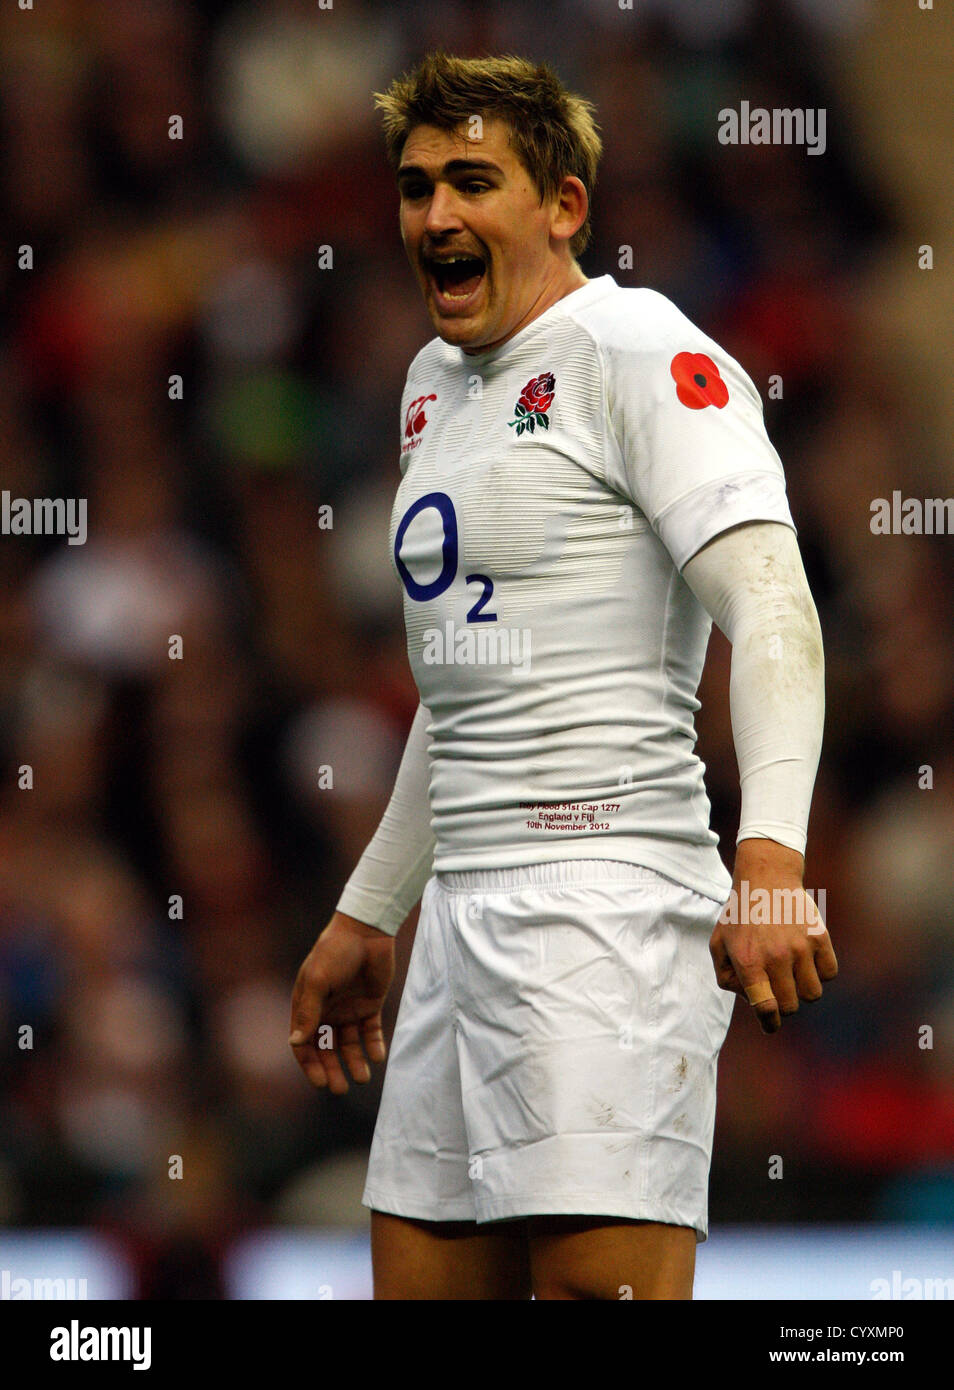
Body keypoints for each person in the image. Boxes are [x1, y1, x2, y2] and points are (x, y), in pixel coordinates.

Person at [289, 51, 837, 1300]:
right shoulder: (431, 392)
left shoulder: (635, 346)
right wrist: (373, 907)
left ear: (565, 205)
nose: (435, 215)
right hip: (460, 919)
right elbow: (466, 696)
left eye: (472, 180)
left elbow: (775, 608)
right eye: (416, 186)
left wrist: (772, 858)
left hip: (609, 906)